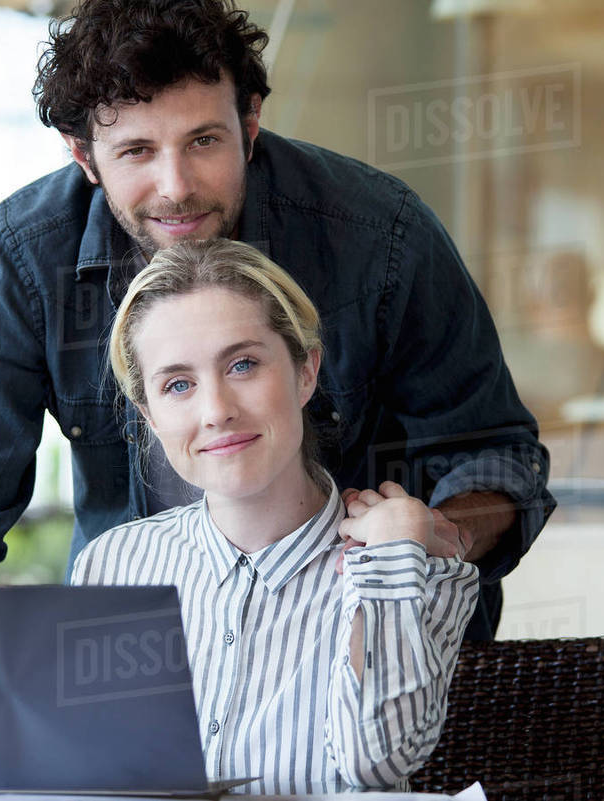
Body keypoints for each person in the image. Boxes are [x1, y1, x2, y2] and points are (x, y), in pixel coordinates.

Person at [0, 0, 555, 642]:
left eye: (203, 140)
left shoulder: (381, 238)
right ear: (84, 157)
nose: (176, 185)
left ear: (252, 121)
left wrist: (438, 536)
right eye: (137, 152)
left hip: (375, 649)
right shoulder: (21, 264)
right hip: (139, 660)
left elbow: (498, 457)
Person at [71, 238, 479, 793]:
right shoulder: (112, 566)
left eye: (243, 365)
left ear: (305, 371)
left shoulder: (413, 565)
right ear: (149, 415)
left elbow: (379, 762)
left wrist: (389, 561)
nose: (216, 411)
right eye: (178, 385)